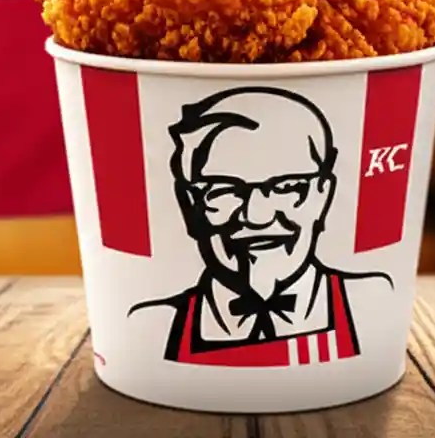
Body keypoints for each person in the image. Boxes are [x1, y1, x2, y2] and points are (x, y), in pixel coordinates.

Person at [131, 86, 390, 367]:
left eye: (287, 186)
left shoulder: (371, 301)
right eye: (224, 190)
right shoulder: (152, 324)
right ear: (190, 205)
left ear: (323, 195)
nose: (257, 217)